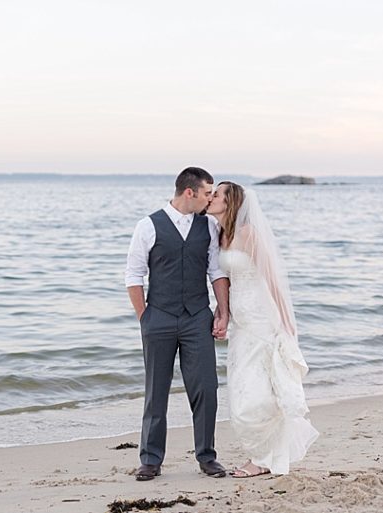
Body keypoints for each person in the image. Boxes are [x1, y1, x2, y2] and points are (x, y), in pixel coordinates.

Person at [206, 181, 318, 478]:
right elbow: (225, 280)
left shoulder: (247, 234)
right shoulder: (221, 234)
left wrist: (285, 320)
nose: (211, 197)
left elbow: (271, 277)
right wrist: (222, 311)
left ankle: (262, 458)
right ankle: (262, 454)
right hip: (241, 323)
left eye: (216, 195)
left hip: (260, 319)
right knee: (243, 388)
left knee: (255, 394)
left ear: (230, 203)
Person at [125, 167, 230, 481]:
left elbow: (216, 272)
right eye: (207, 193)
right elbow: (133, 275)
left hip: (197, 316)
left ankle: (207, 456)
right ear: (190, 192)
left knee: (206, 389)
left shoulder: (209, 226)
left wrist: (222, 312)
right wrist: (145, 317)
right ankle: (150, 460)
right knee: (156, 391)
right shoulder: (148, 225)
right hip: (159, 317)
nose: (210, 198)